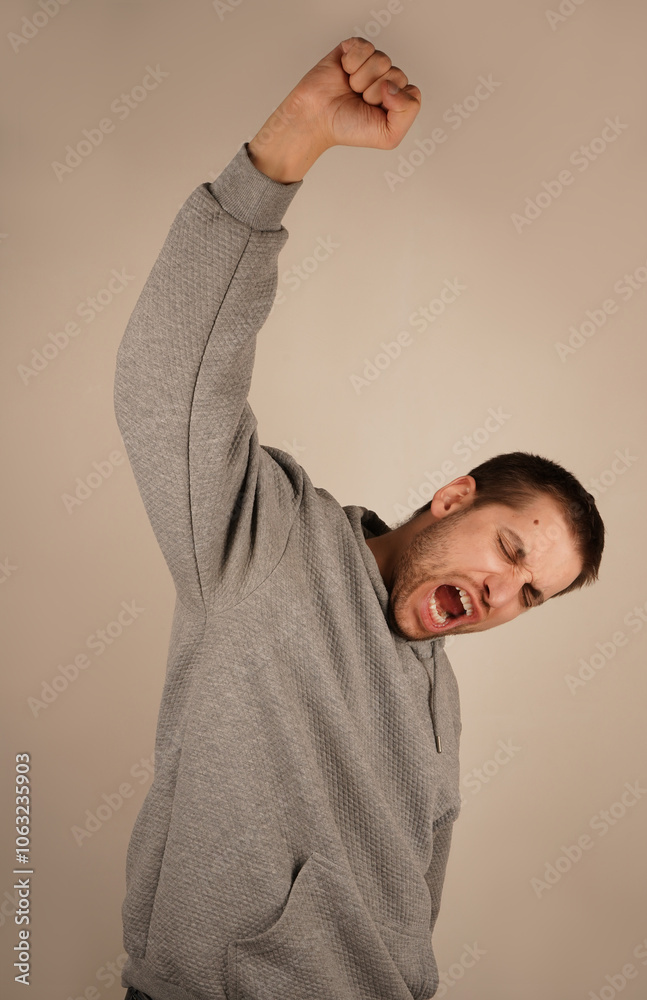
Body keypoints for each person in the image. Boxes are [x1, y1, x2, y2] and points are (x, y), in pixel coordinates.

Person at [114, 37, 604, 1000]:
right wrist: (282, 155)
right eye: (508, 549)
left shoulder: (438, 703)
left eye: (529, 593)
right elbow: (167, 385)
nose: (503, 593)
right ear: (454, 494)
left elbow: (410, 909)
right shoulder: (268, 542)